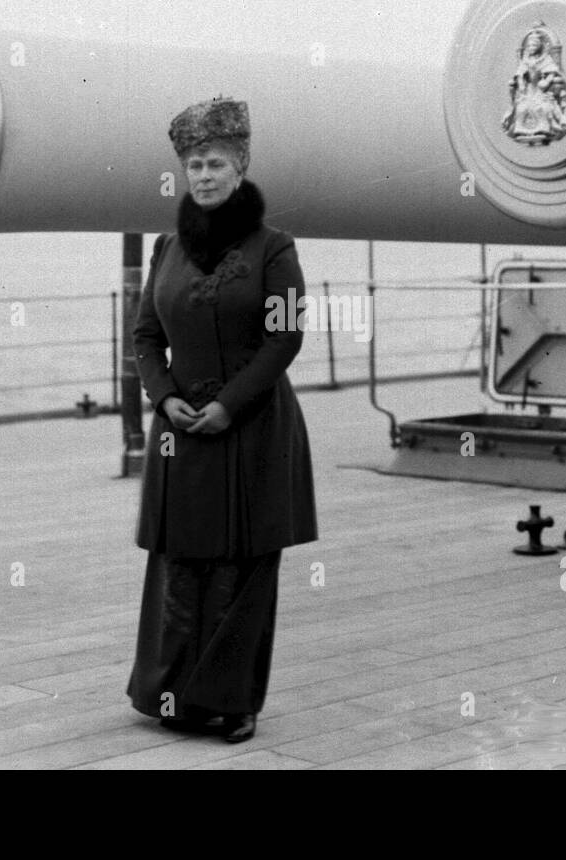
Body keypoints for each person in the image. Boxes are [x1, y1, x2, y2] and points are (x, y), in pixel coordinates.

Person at [126, 96, 319, 744]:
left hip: (253, 425)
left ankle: (234, 702)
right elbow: (146, 337)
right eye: (193, 166)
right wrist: (163, 398)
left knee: (241, 567)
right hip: (181, 431)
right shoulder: (167, 248)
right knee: (180, 562)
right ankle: (173, 695)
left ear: (239, 167)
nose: (203, 176)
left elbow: (284, 339)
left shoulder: (273, 247)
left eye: (214, 163)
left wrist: (226, 404)